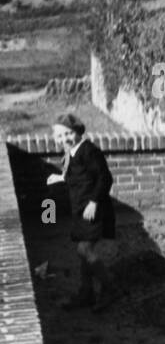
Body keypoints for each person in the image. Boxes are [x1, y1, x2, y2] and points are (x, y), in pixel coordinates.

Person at [45, 114, 118, 312]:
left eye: (68, 134)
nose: (64, 139)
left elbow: (105, 178)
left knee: (85, 250)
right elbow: (79, 178)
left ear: (77, 132)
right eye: (59, 136)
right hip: (80, 210)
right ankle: (86, 293)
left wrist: (94, 202)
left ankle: (110, 288)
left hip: (94, 210)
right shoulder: (71, 154)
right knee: (82, 253)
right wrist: (60, 178)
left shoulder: (89, 151)